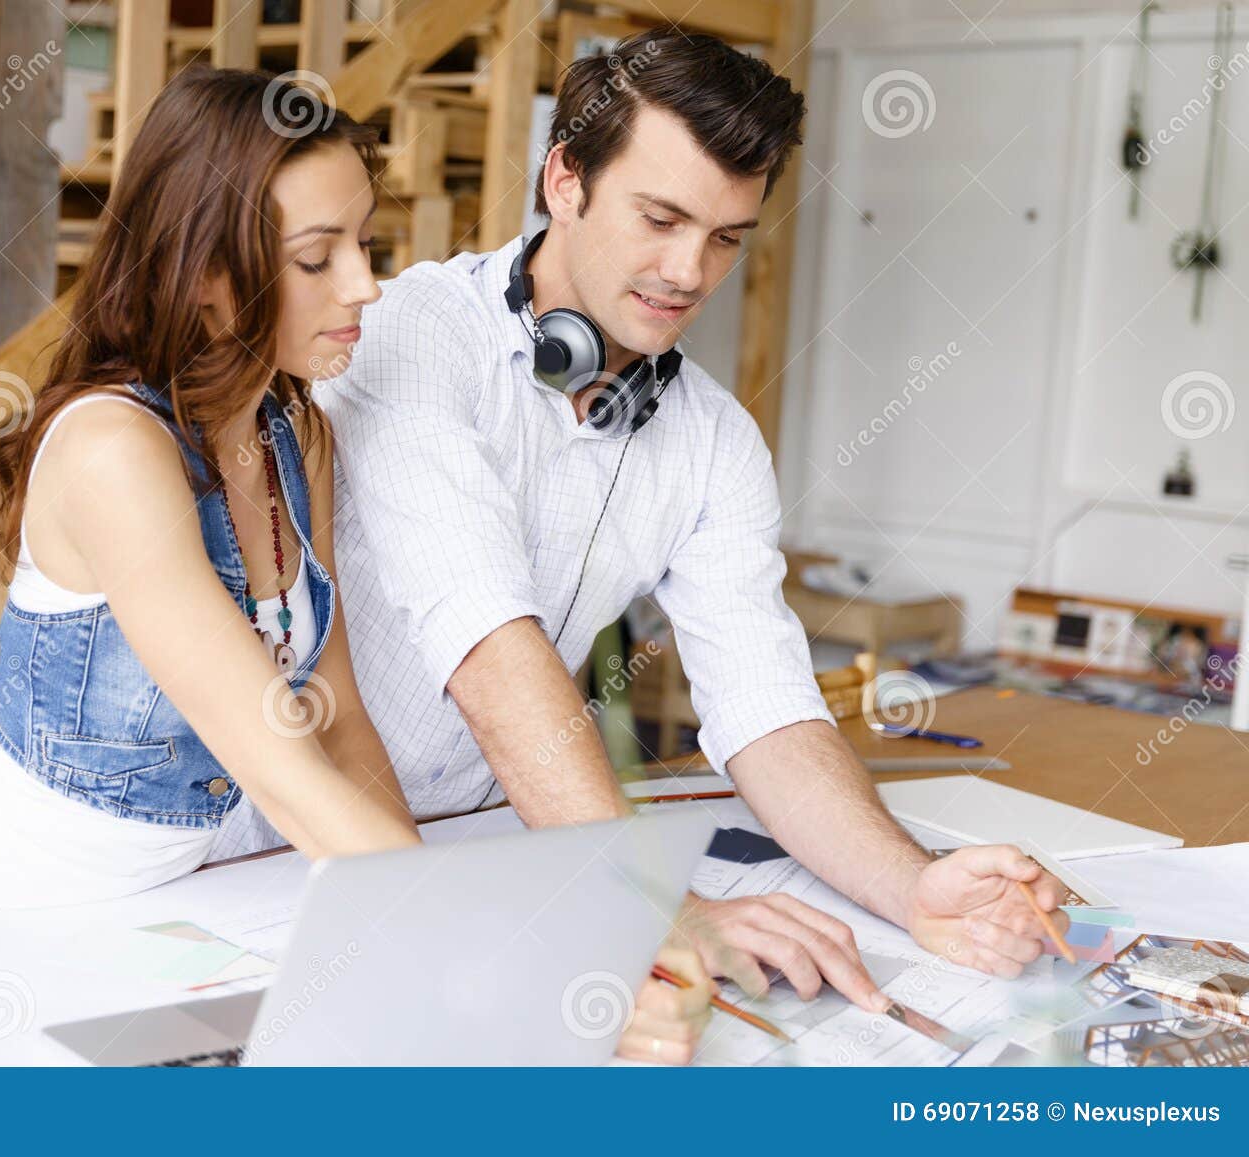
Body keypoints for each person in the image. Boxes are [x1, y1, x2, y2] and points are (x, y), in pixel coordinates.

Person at [212, 30, 1070, 1065]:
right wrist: (644, 901)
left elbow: (766, 709)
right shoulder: (410, 338)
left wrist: (910, 884)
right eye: (659, 219)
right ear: (563, 177)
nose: (686, 272)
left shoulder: (712, 439)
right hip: (284, 850)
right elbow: (486, 646)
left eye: (725, 238)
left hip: (491, 840)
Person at [0, 67, 421, 934]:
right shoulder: (112, 451)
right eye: (317, 256)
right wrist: (456, 932)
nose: (364, 285)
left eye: (366, 245)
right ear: (205, 273)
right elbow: (280, 768)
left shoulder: (295, 437)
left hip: (121, 933)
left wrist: (421, 877)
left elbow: (337, 721)